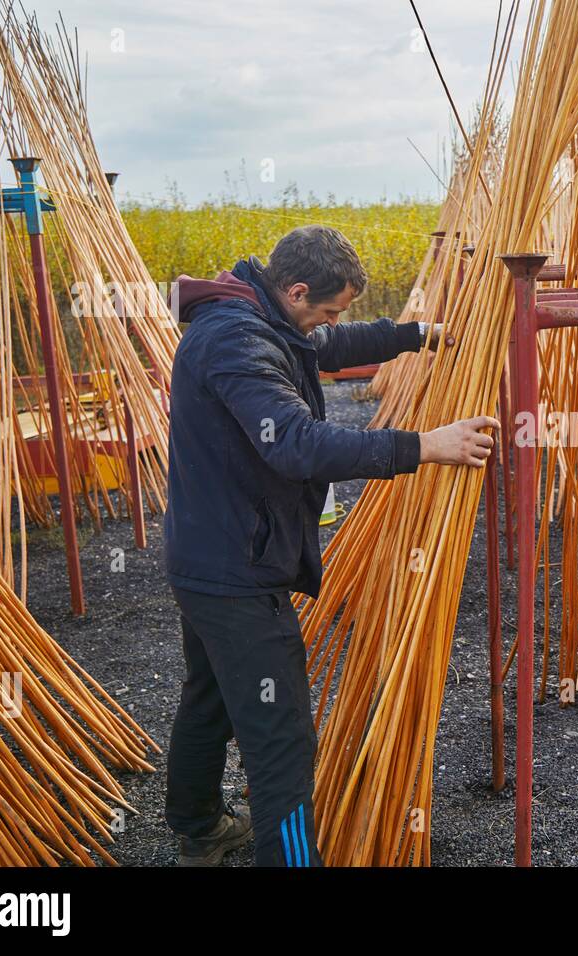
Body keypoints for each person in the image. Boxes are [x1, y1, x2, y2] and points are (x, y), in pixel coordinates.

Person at [162, 224, 497, 866]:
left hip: (210, 557)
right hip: (237, 573)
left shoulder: (259, 314)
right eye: (326, 307)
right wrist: (424, 444)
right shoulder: (235, 340)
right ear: (294, 290)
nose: (330, 323)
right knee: (281, 737)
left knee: (210, 697)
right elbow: (294, 442)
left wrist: (419, 336)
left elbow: (330, 343)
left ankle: (198, 826)